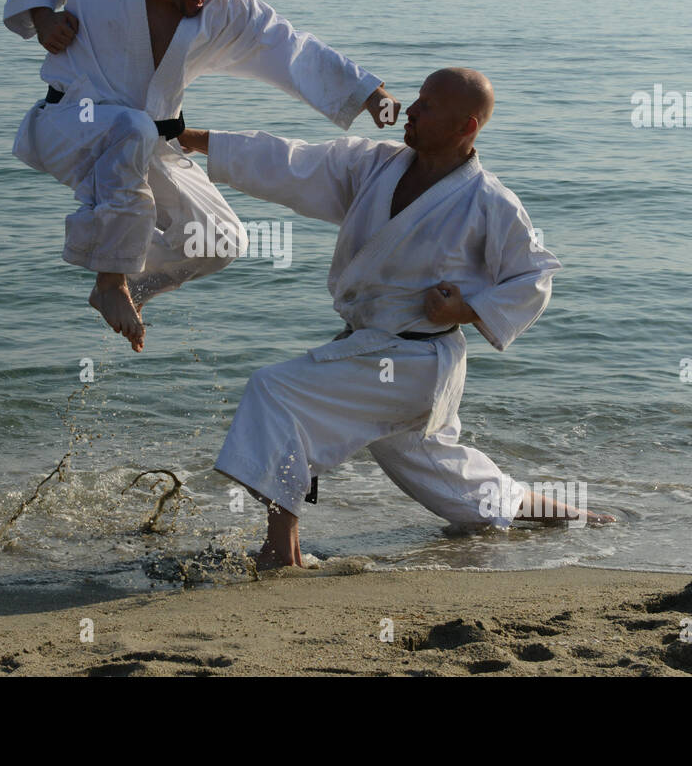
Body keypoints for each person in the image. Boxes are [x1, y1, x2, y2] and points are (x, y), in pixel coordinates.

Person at [177, 67, 612, 568]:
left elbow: (535, 277)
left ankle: (282, 551)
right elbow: (291, 161)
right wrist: (191, 138)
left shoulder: (489, 202)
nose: (411, 109)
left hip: (416, 359)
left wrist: (466, 309)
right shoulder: (375, 167)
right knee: (463, 491)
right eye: (418, 98)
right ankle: (582, 518)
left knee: (277, 394)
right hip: (377, 350)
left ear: (465, 127)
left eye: (427, 106)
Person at [4, 0, 399, 351]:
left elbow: (290, 46)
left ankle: (130, 289)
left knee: (220, 239)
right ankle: (111, 277)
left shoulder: (222, 9)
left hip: (140, 144)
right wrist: (44, 19)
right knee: (130, 127)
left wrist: (368, 93)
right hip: (68, 126)